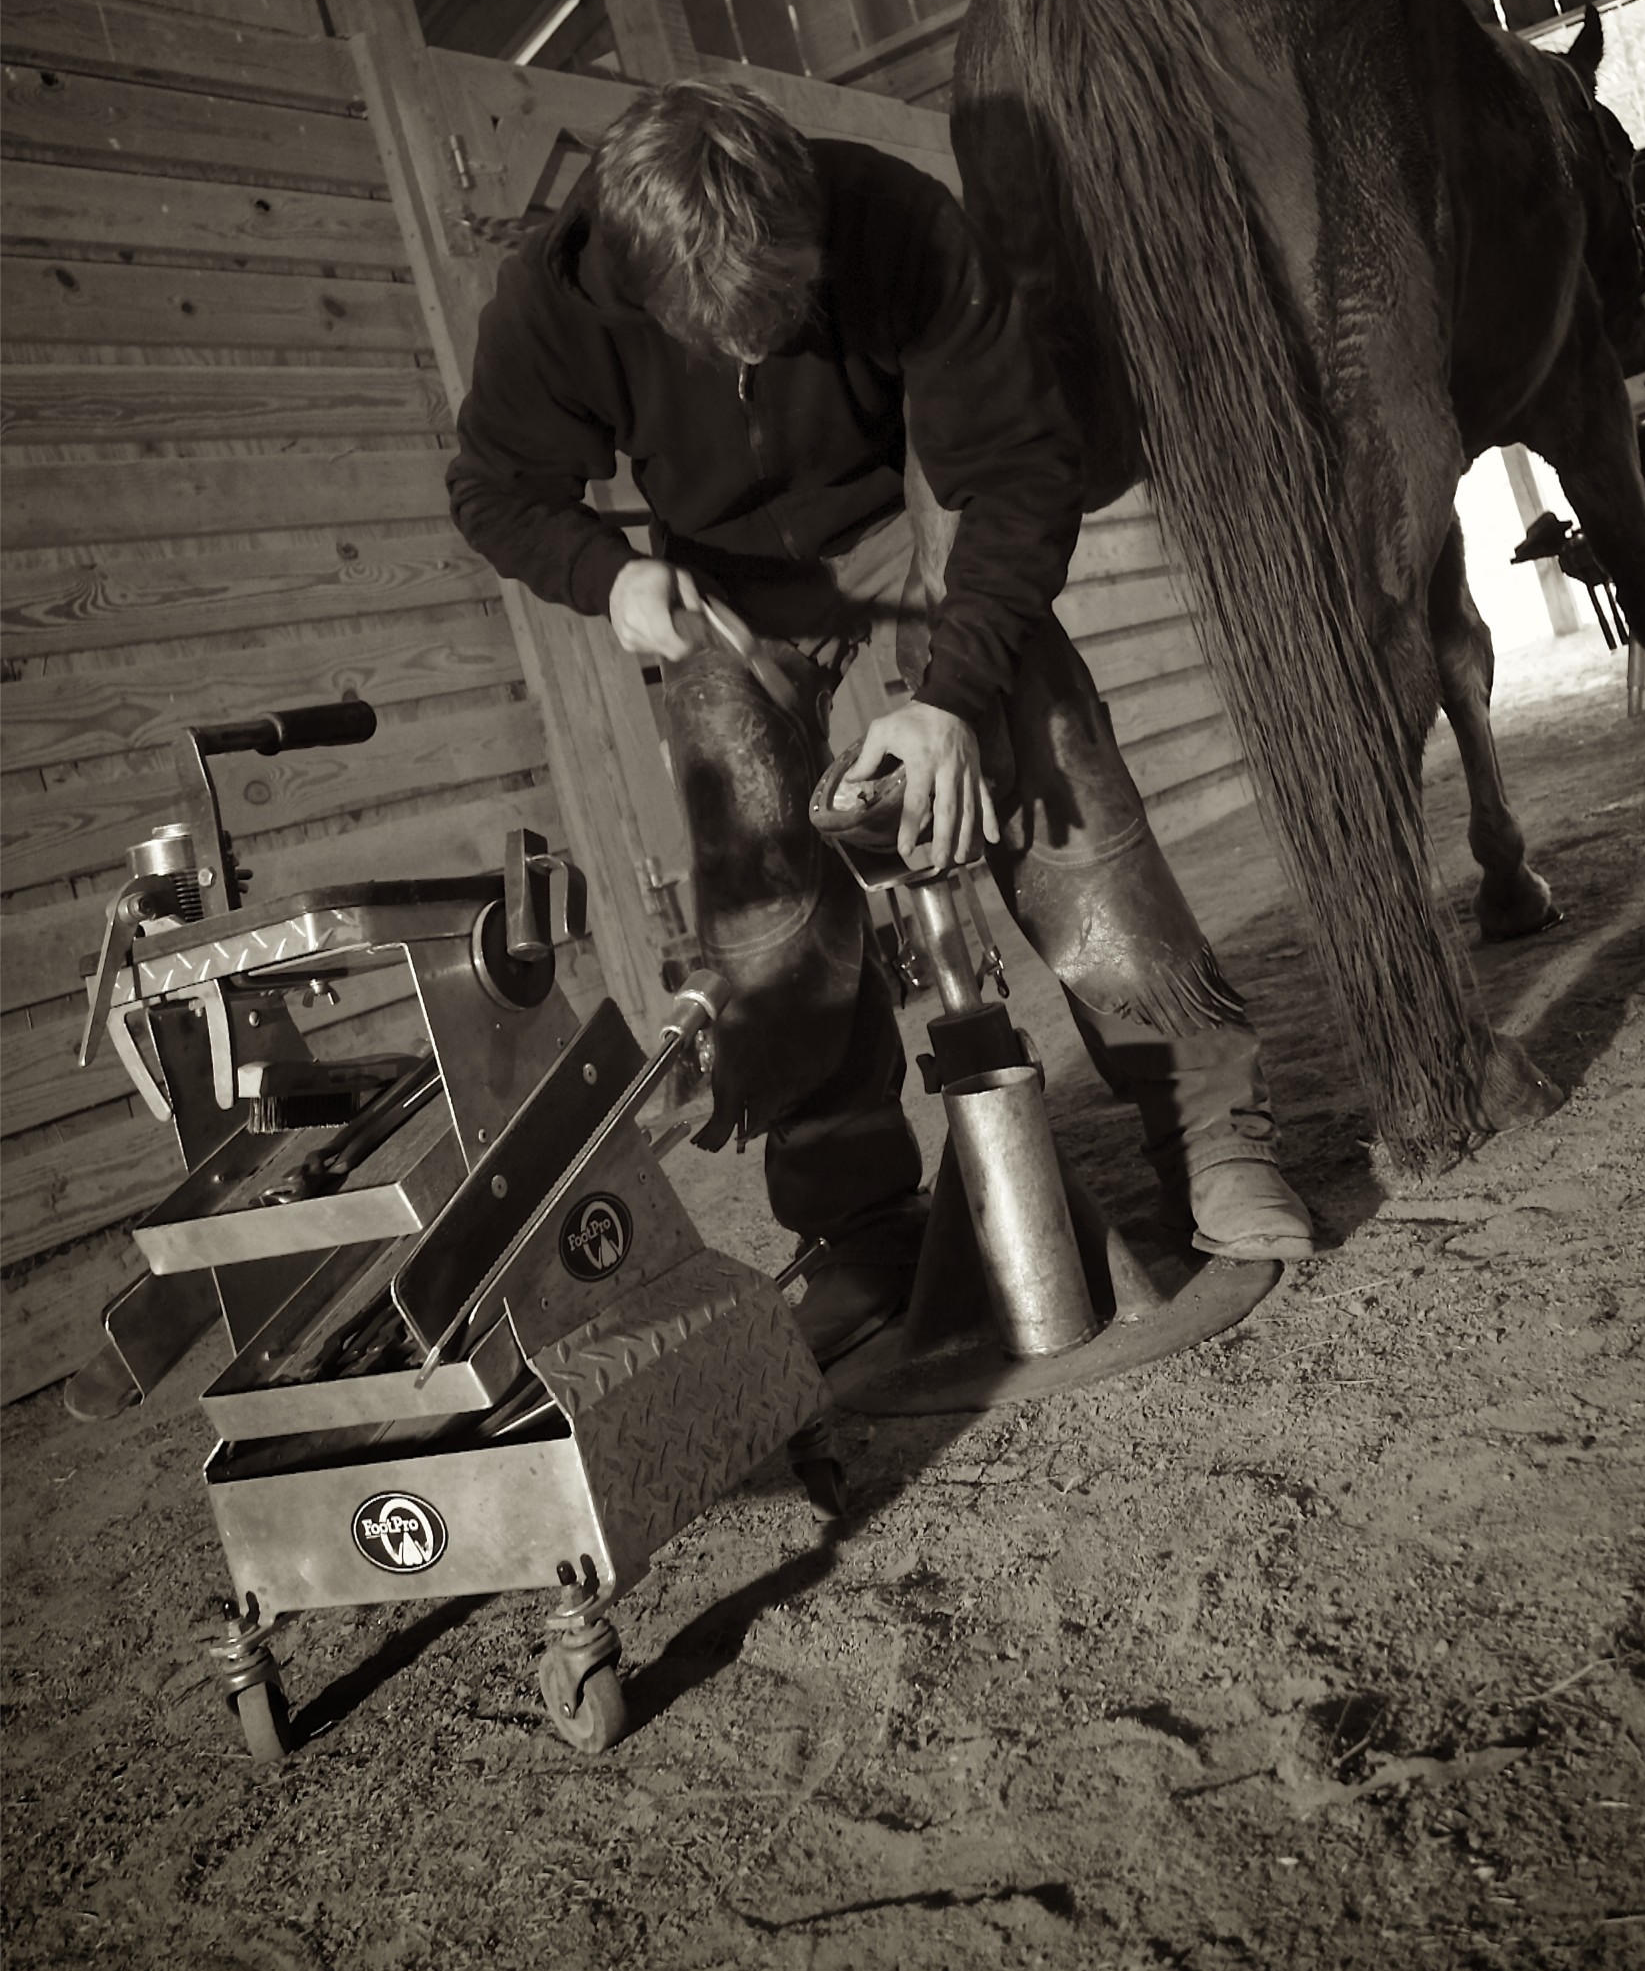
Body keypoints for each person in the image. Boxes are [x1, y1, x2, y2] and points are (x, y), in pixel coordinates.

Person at [448, 78, 1314, 1360]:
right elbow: (494, 491)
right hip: (727, 583)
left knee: (1054, 759)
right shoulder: (560, 298)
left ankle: (1211, 1129)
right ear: (646, 291)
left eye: (780, 324)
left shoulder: (896, 220)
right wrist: (607, 574)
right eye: (723, 343)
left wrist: (951, 696)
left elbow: (1020, 468)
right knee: (755, 873)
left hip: (917, 515)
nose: (756, 365)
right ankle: (858, 1221)